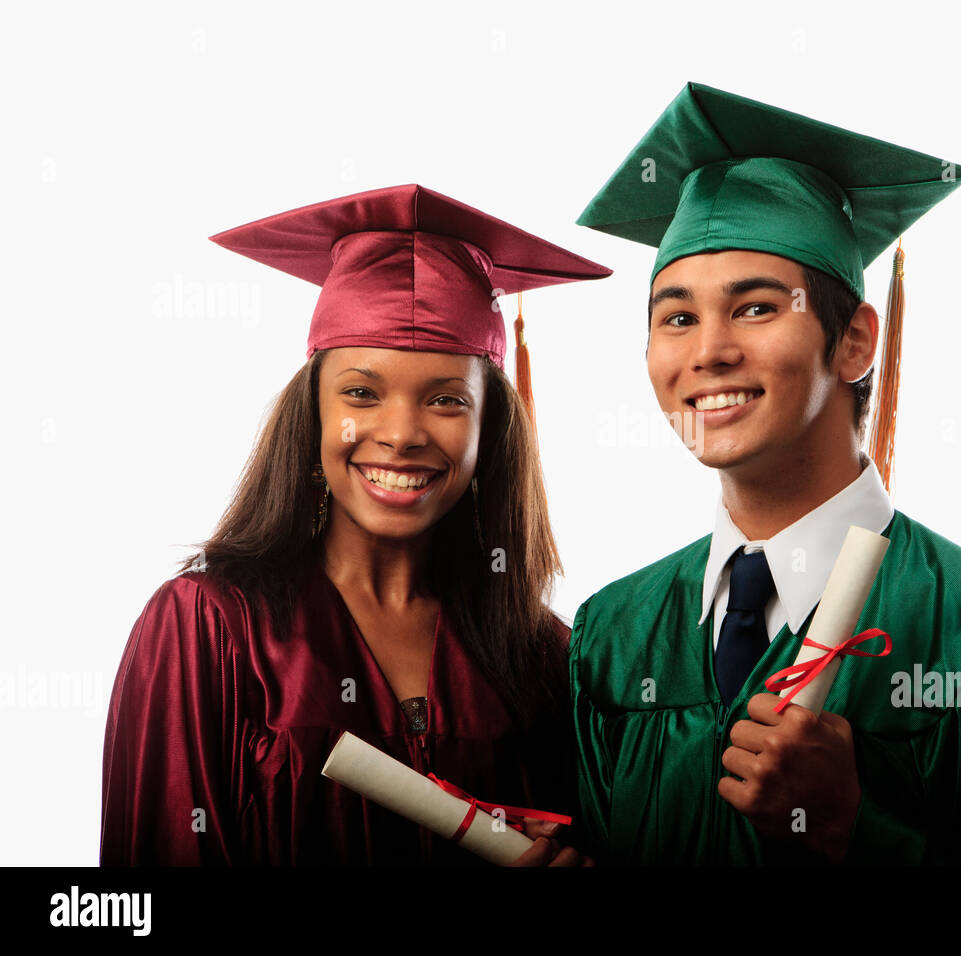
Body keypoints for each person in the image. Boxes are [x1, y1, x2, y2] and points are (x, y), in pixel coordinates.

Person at [569, 83, 961, 865]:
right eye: (677, 317)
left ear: (856, 341)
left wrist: (858, 833)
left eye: (757, 308)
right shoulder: (612, 640)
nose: (708, 353)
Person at [100, 183, 609, 865]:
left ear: (491, 433)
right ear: (311, 414)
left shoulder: (544, 658)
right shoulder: (210, 629)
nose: (400, 435)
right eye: (361, 393)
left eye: (447, 400)